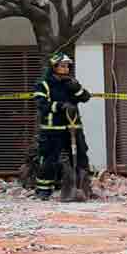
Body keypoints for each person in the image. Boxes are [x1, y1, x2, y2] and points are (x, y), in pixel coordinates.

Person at [32, 52, 92, 200]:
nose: (66, 68)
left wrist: (76, 87)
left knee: (80, 158)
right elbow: (41, 104)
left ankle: (80, 188)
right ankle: (43, 190)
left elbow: (85, 97)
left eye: (67, 66)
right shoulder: (43, 84)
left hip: (73, 128)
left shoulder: (70, 82)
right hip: (52, 131)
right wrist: (60, 106)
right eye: (62, 66)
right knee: (49, 159)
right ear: (54, 67)